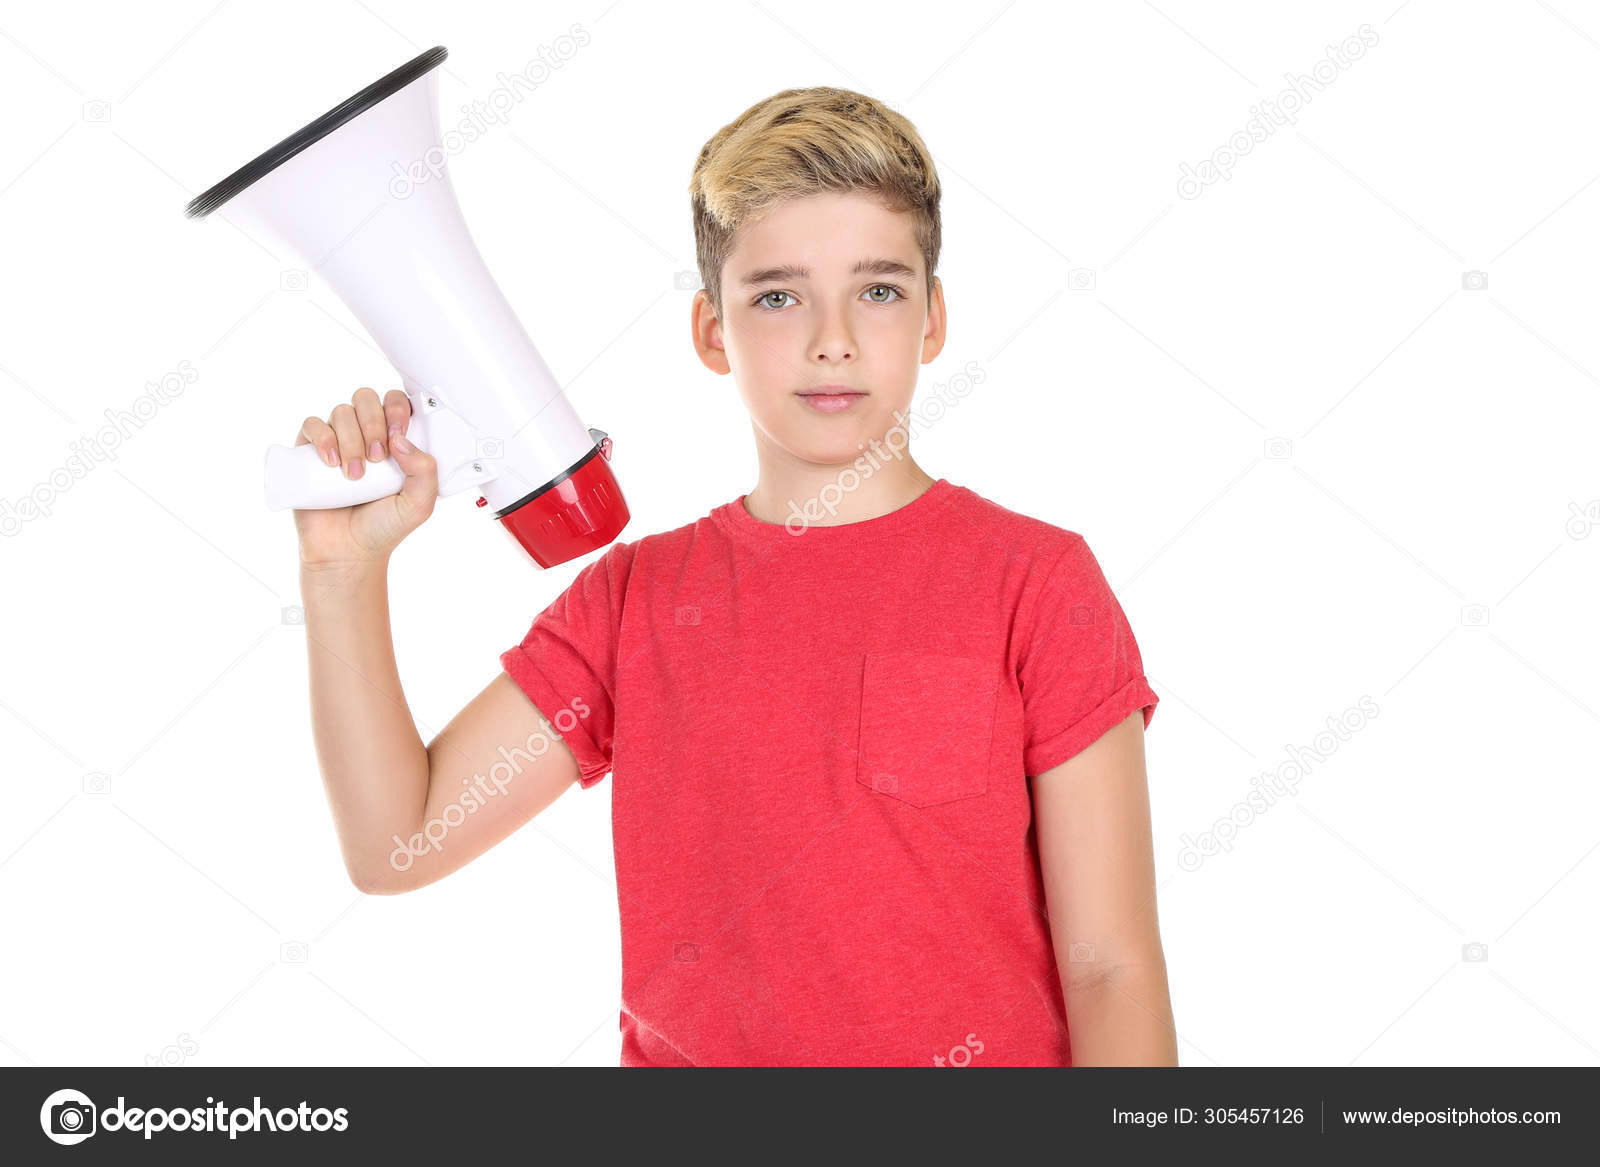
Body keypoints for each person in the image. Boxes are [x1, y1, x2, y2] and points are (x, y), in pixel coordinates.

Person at [290, 86, 1176, 1067]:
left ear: (933, 320)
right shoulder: (634, 602)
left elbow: (1110, 969)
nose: (832, 338)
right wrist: (341, 571)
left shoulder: (1037, 584)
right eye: (777, 296)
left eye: (879, 290)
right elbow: (398, 843)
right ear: (712, 331)